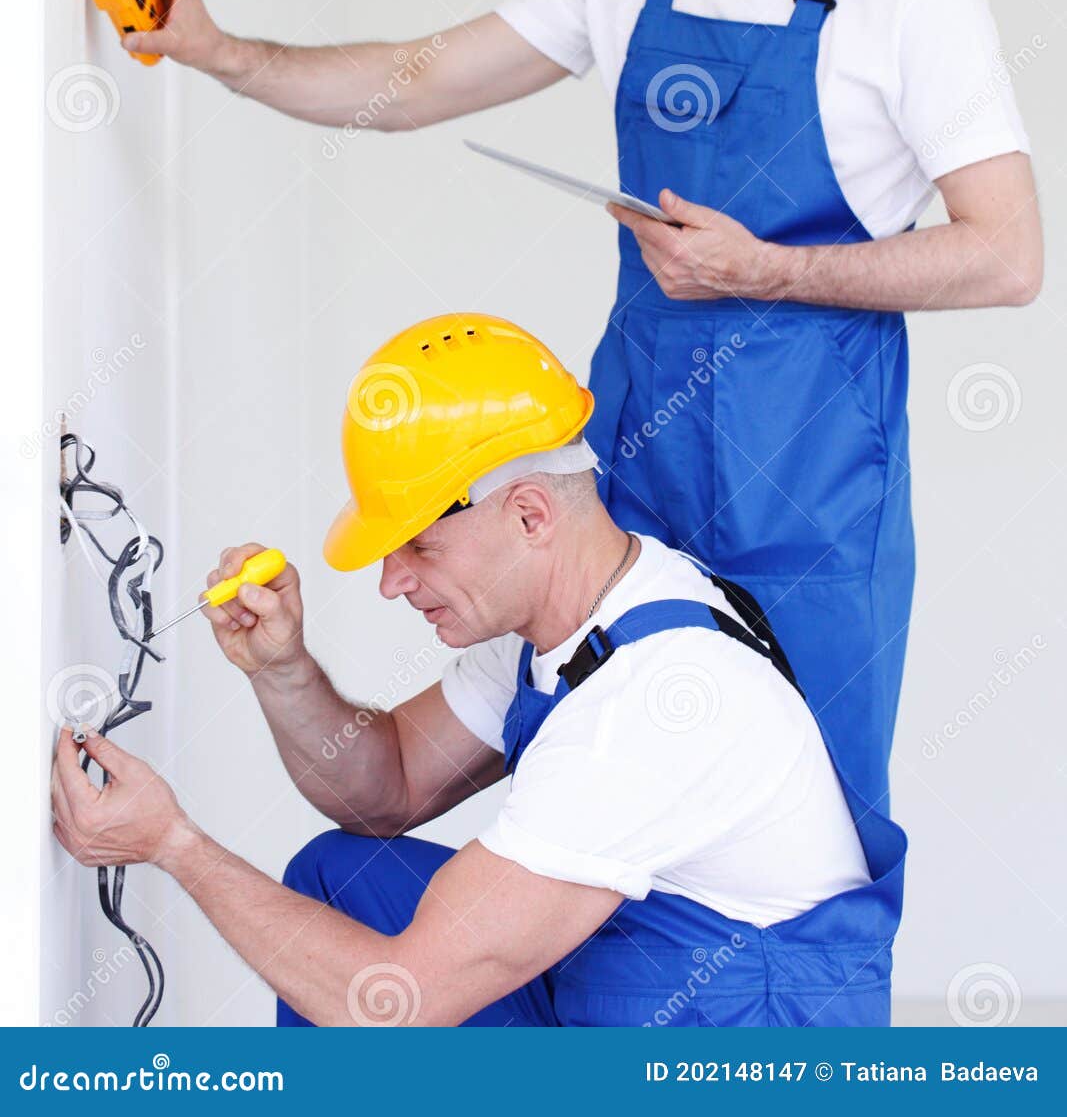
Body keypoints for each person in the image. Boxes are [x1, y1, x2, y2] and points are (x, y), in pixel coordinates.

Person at [119, 0, 1042, 807]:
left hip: (810, 502)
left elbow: (1005, 255)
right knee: (594, 796)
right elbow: (413, 82)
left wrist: (768, 268)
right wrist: (218, 49)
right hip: (634, 461)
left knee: (793, 830)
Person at [52, 313, 905, 1028]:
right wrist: (281, 669)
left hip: (743, 1054)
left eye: (417, 545)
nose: (392, 582)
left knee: (392, 982)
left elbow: (396, 1001)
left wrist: (174, 844)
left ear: (530, 514)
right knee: (343, 878)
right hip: (637, 991)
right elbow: (382, 787)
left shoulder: (655, 703)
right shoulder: (566, 621)